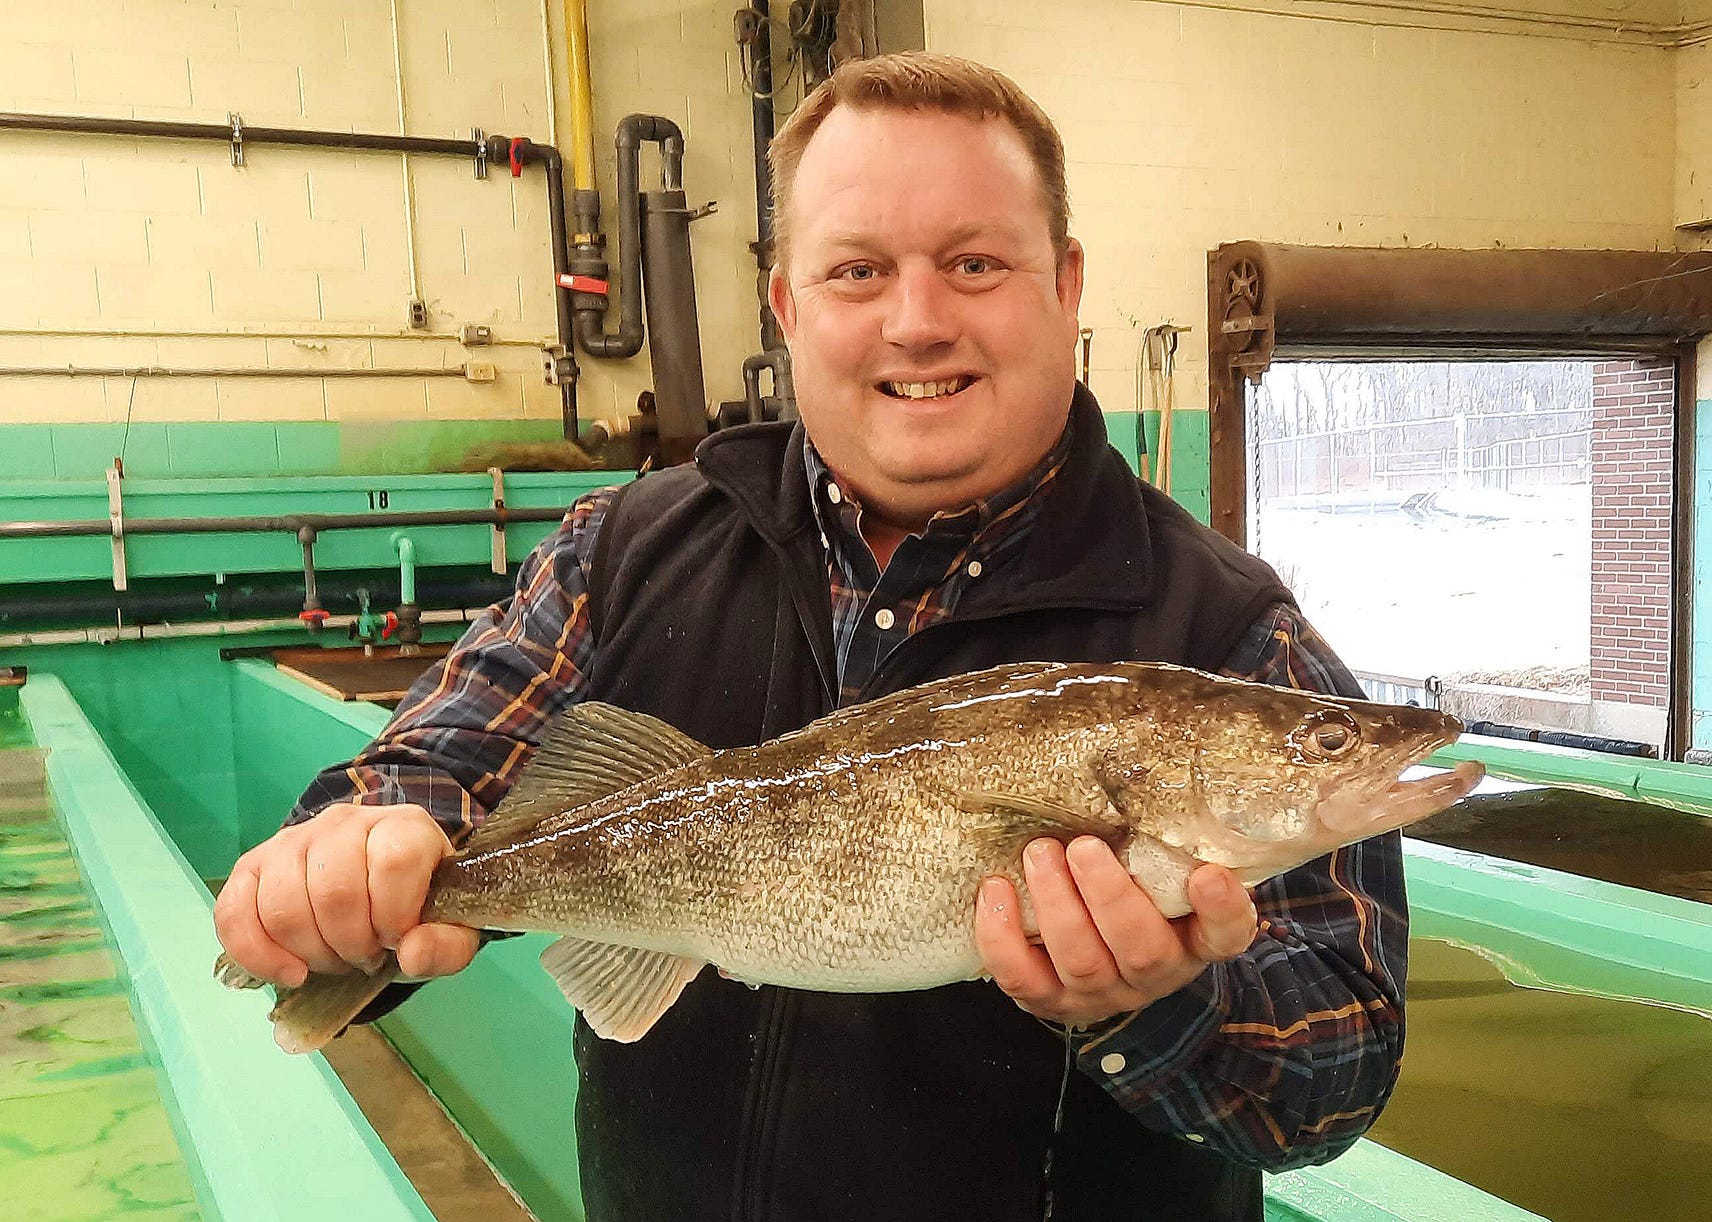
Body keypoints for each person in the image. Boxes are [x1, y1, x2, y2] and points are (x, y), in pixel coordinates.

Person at [215, 52, 1407, 1222]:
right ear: (786, 303)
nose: (917, 319)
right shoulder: (616, 551)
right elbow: (435, 773)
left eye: (975, 261)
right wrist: (344, 854)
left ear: (1066, 284)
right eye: (856, 271)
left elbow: (1331, 1084)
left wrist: (1167, 1005)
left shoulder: (1228, 634)